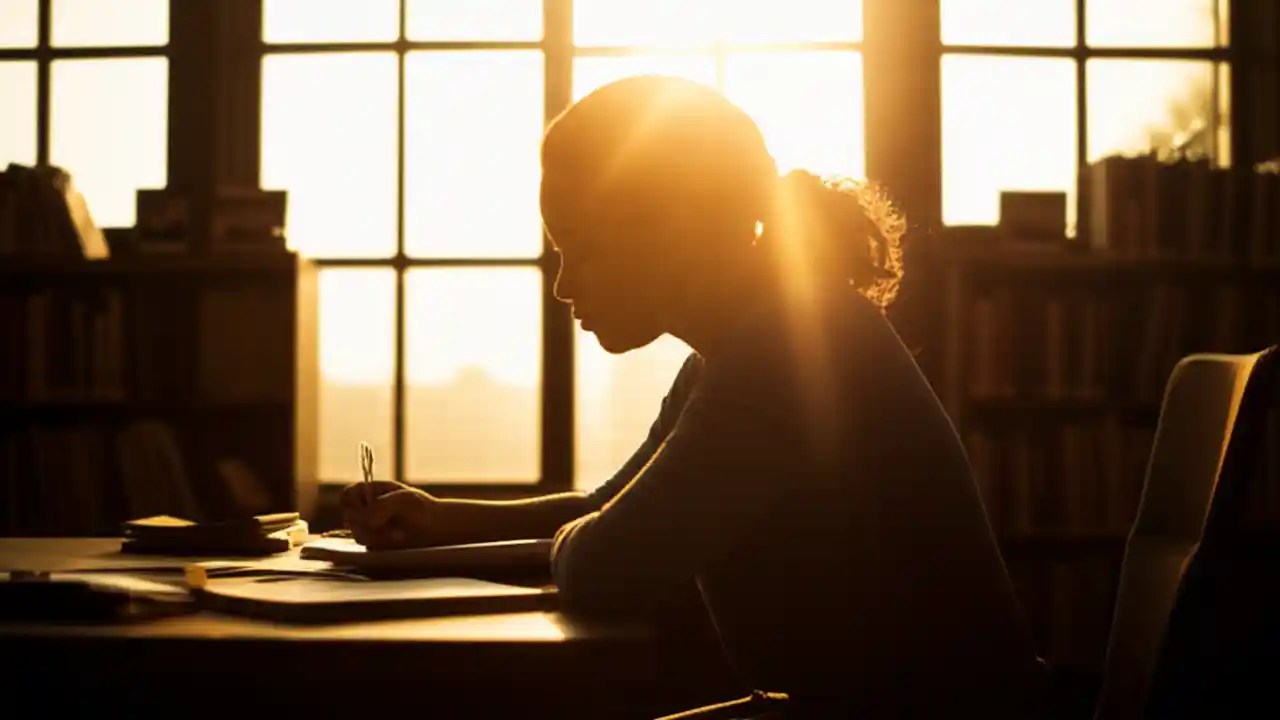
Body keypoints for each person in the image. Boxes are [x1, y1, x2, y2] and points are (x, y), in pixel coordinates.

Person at [342, 75, 1043, 717]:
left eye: (581, 248)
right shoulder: (737, 351)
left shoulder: (789, 352)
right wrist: (442, 519)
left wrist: (583, 541)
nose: (563, 285)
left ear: (671, 230)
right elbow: (606, 509)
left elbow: (608, 567)